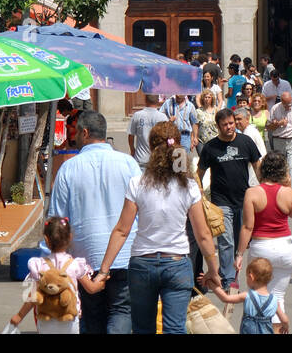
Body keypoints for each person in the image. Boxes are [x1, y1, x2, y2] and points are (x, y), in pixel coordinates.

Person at [97, 121, 220, 334]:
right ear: (177, 145)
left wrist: (103, 270)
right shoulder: (188, 186)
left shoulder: (137, 183)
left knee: (143, 328)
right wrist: (213, 270)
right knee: (175, 328)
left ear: (151, 148)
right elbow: (203, 234)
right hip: (176, 263)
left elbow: (122, 230)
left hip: (142, 263)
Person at [48, 110, 140, 334]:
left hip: (85, 258)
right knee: (122, 311)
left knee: (92, 315)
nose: (75, 136)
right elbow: (143, 209)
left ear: (85, 133)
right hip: (124, 255)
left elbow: (58, 222)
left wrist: (53, 260)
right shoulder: (129, 164)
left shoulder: (68, 169)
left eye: (77, 132)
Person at [197, 108, 263, 292]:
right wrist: (199, 193)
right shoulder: (211, 147)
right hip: (221, 201)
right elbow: (199, 173)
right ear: (218, 126)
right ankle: (228, 281)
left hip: (244, 200)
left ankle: (227, 271)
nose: (229, 127)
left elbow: (257, 166)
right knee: (226, 241)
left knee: (240, 243)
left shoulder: (246, 142)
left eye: (231, 123)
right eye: (225, 125)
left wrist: (265, 188)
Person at [234, 151, 292, 330]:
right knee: (278, 297)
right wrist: (288, 185)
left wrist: (239, 254)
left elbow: (247, 227)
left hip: (261, 248)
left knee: (258, 297)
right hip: (285, 247)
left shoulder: (252, 193)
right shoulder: (287, 192)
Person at [10, 216, 102, 334]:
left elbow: (33, 295)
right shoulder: (75, 265)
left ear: (46, 240)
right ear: (70, 237)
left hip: (46, 319)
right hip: (69, 319)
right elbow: (91, 288)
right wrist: (102, 282)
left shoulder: (39, 265)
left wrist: (19, 316)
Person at [212, 257, 287, 334]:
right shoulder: (274, 300)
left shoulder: (247, 296)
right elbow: (284, 320)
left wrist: (212, 285)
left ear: (251, 277)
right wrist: (285, 327)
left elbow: (225, 298)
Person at [268, 90, 292, 180]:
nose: (288, 107)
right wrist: (278, 123)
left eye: (290, 104)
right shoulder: (275, 108)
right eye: (285, 105)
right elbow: (269, 127)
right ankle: (280, 182)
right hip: (279, 139)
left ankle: (291, 185)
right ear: (281, 101)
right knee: (279, 162)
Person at [128, 95, 168, 166]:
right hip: (157, 160)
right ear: (158, 101)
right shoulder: (162, 117)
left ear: (145, 100)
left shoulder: (137, 115)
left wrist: (132, 149)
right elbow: (167, 137)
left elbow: (131, 135)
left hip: (141, 158)